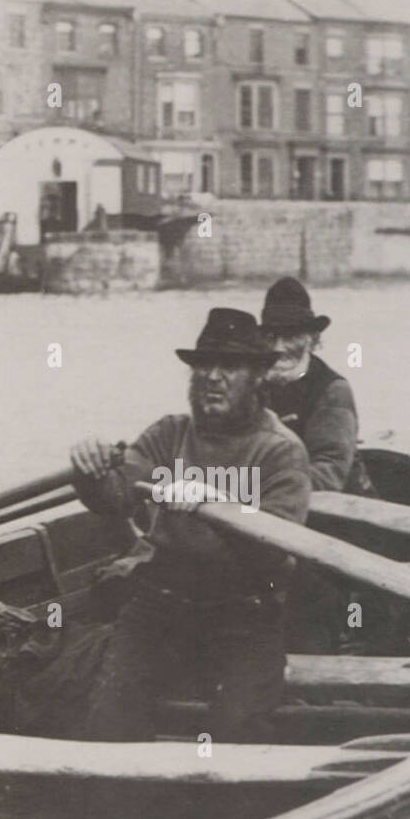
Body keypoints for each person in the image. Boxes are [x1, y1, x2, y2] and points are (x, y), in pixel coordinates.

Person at [70, 308, 311, 743]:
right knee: (107, 719)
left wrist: (215, 506)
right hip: (163, 600)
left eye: (229, 366)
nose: (212, 377)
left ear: (257, 377)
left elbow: (275, 547)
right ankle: (118, 805)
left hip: (245, 609)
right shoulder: (168, 435)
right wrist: (90, 470)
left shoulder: (281, 452)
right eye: (204, 364)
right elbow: (117, 497)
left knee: (236, 730)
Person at [260, 276, 359, 492]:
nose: (279, 347)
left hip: (334, 511)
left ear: (312, 339)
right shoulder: (253, 384)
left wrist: (255, 484)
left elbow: (329, 474)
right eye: (271, 336)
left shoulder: (333, 391)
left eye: (291, 335)